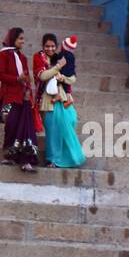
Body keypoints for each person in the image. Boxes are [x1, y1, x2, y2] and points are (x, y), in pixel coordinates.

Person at [0, 27, 38, 172]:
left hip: (23, 98)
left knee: (25, 128)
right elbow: (1, 75)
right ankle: (9, 156)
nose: (23, 41)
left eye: (23, 38)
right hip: (7, 98)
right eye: (20, 38)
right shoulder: (3, 55)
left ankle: (26, 160)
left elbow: (26, 77)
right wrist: (18, 79)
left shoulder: (22, 58)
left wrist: (28, 91)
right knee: (10, 124)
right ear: (13, 39)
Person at [34, 34, 85, 169]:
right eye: (47, 46)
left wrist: (62, 78)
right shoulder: (39, 57)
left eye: (52, 46)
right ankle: (52, 159)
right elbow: (43, 76)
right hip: (47, 99)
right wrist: (57, 68)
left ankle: (68, 157)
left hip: (62, 97)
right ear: (42, 46)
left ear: (56, 46)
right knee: (53, 128)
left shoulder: (60, 57)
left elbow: (72, 78)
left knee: (71, 119)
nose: (49, 49)